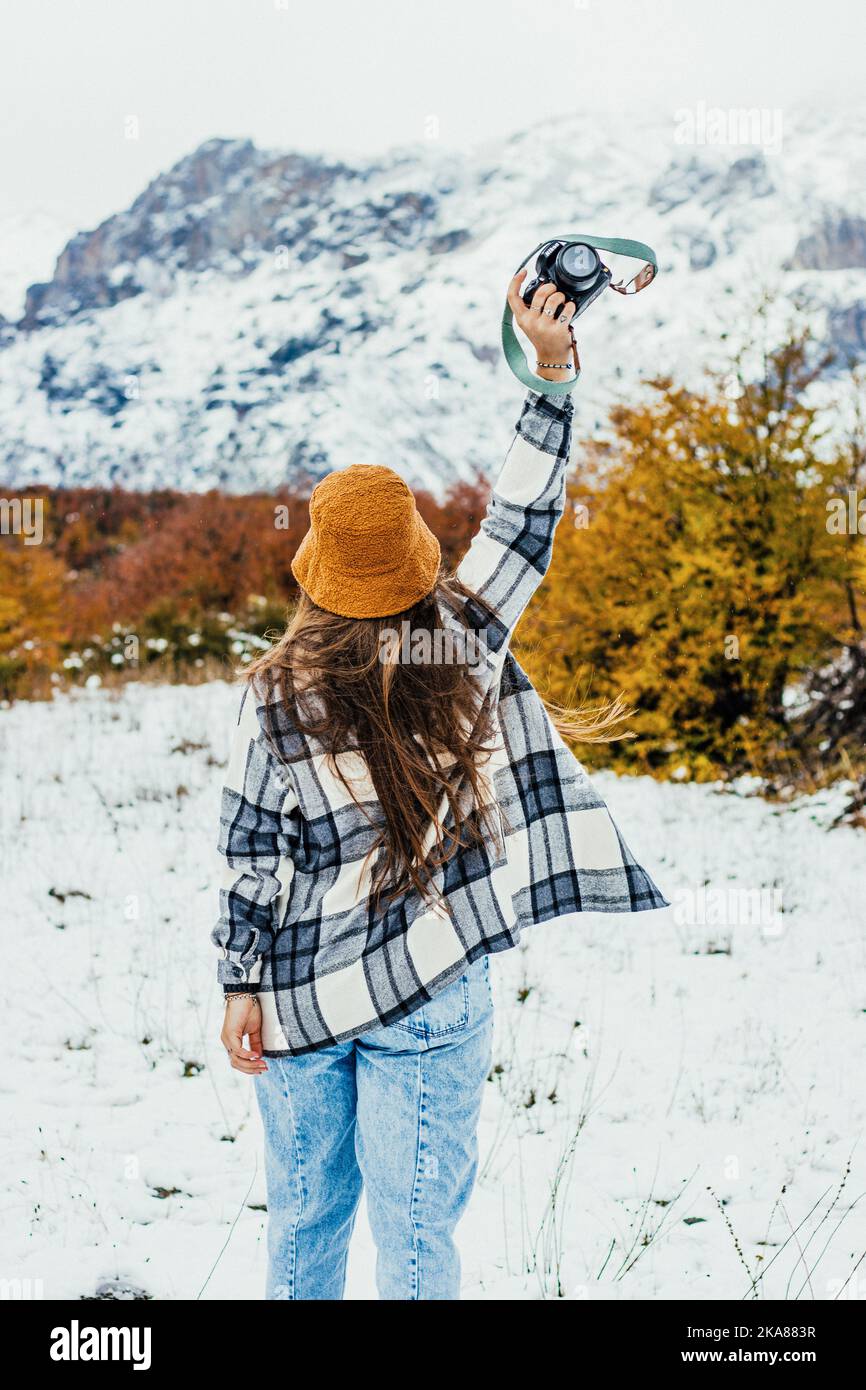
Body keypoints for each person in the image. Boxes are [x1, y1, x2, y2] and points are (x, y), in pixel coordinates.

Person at [212, 270, 667, 1301]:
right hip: (432, 980)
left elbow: (251, 852)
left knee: (302, 1230)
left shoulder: (276, 690)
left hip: (299, 994)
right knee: (416, 1238)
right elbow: (520, 521)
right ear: (415, 555)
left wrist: (240, 982)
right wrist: (548, 370)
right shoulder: (460, 635)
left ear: (316, 568)